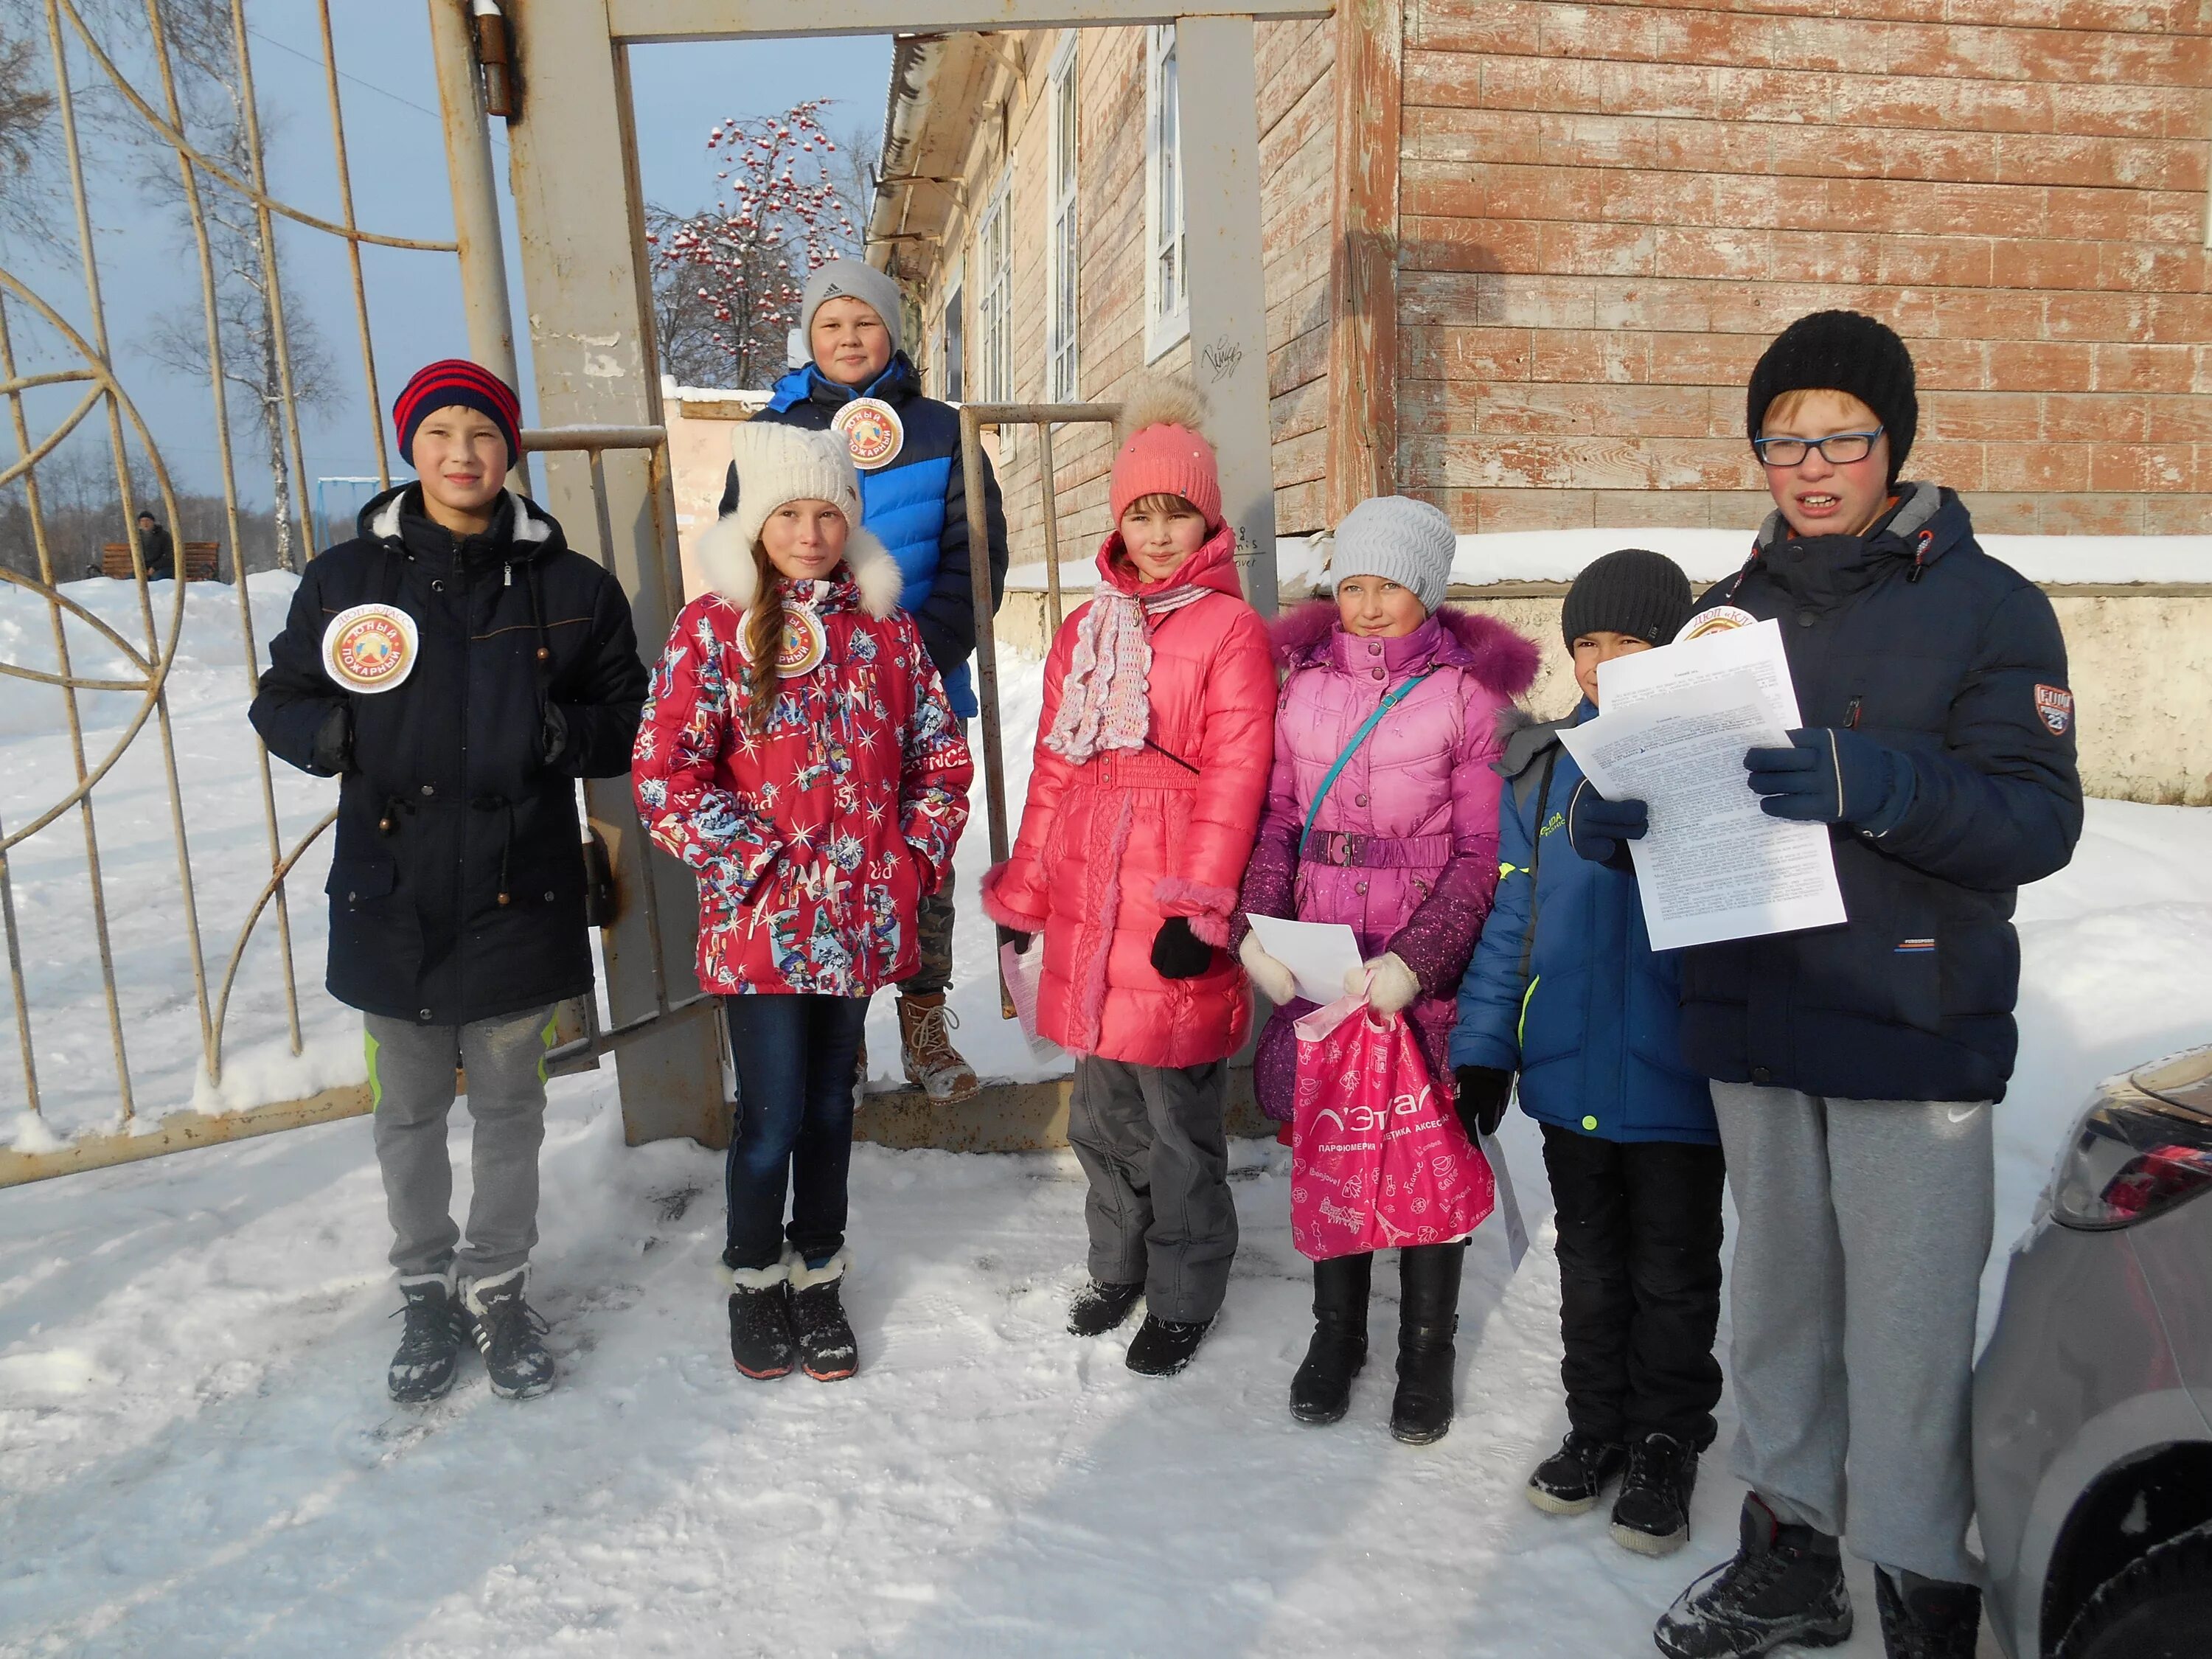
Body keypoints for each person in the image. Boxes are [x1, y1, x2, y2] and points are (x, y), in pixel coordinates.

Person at [1568, 313, 2082, 1659]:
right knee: (1780, 1303)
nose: (1810, 465)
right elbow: (1682, 787)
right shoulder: (1725, 611)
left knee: (1906, 1323)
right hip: (1754, 1005)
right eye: (1782, 440)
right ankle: (1791, 1553)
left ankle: (1921, 1580)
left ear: (1892, 444)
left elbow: (2035, 820)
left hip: (1910, 1012)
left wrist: (1873, 781)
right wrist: (1616, 824)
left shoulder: (1990, 606)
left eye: (1840, 437)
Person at [250, 358, 647, 1404]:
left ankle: (499, 1285)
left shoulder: (571, 586)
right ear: (409, 448)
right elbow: (279, 696)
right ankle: (425, 1284)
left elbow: (625, 710)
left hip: (521, 884)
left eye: (481, 433)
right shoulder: (347, 581)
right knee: (409, 1112)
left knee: (511, 1110)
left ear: (508, 450)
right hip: (394, 890)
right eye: (439, 434)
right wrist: (337, 731)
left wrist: (559, 731)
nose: (461, 453)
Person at [634, 420, 972, 1384]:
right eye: (791, 512)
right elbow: (665, 769)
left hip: (860, 915)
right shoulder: (715, 629)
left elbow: (939, 763)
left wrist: (908, 860)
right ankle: (753, 1277)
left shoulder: (888, 632)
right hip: (763, 923)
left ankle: (817, 1273)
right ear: (757, 522)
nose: (812, 530)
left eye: (829, 512)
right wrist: (742, 859)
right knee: (773, 1112)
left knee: (830, 1108)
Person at [981, 378, 1273, 1378]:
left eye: (1175, 511)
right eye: (1140, 513)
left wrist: (1202, 906)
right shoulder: (1087, 629)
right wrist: (1024, 897)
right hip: (1088, 892)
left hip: (1168, 895)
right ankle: (1119, 1262)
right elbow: (1055, 769)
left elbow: (1239, 774)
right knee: (1101, 1111)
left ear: (1206, 517)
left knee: (1178, 1118)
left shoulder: (1230, 631)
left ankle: (1187, 1285)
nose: (1156, 531)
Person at [1234, 494, 1536, 1442]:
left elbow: (1483, 855)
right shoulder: (1304, 682)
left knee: (1419, 1153)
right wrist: (1263, 928)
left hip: (1412, 969)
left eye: (1390, 588)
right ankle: (1337, 1335)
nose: (1365, 606)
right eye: (1351, 584)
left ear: (1430, 591)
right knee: (1333, 1142)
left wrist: (1419, 962)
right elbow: (1281, 817)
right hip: (1324, 960)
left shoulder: (1469, 697)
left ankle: (1426, 1349)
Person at [1450, 548, 1723, 1554]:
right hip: (1568, 1075)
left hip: (1679, 1077)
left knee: (1674, 1269)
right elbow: (1512, 916)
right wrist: (1486, 1048)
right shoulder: (1547, 765)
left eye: (1633, 641)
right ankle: (1597, 1424)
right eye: (1588, 644)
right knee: (1592, 1267)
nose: (1606, 663)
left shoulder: (1711, 759)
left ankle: (1666, 1438)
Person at [719, 258, 1008, 1104]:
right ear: (809, 337)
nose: (849, 339)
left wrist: (913, 660)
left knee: (920, 854)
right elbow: (746, 552)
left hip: (921, 686)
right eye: (831, 325)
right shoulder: (768, 431)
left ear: (894, 332)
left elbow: (974, 560)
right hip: (801, 698)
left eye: (865, 322)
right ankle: (834, 1031)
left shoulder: (942, 429)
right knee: (815, 857)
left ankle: (923, 1021)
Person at [136, 509, 175, 581]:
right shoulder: (137, 537)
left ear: (153, 522)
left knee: (156, 578)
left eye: (148, 520)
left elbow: (168, 555)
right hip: (144, 568)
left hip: (164, 567)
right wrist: (141, 568)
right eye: (142, 521)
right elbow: (133, 554)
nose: (145, 523)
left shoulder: (163, 535)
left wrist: (154, 567)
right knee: (131, 578)